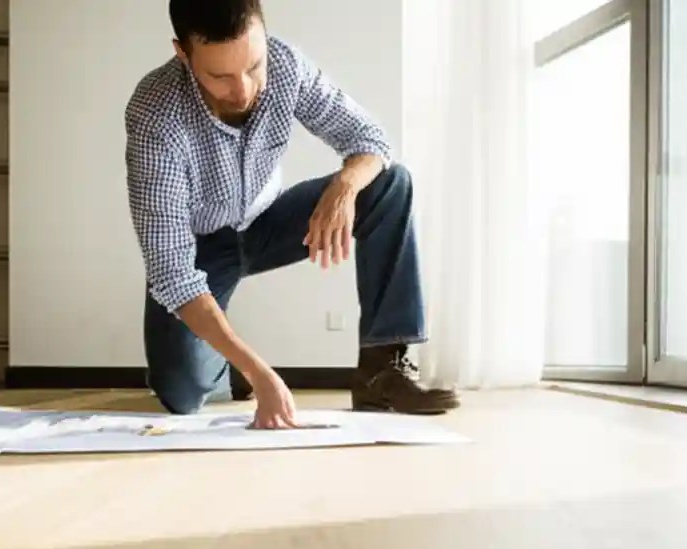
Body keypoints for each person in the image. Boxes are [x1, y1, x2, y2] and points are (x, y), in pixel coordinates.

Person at [125, 0, 458, 428]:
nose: (244, 90)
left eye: (253, 66)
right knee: (180, 393)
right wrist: (258, 371)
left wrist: (345, 186)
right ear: (182, 53)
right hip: (202, 247)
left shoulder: (285, 65)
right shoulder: (156, 114)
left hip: (270, 222)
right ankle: (228, 373)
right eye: (220, 76)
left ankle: (381, 368)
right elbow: (171, 272)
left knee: (390, 183)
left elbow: (370, 139)